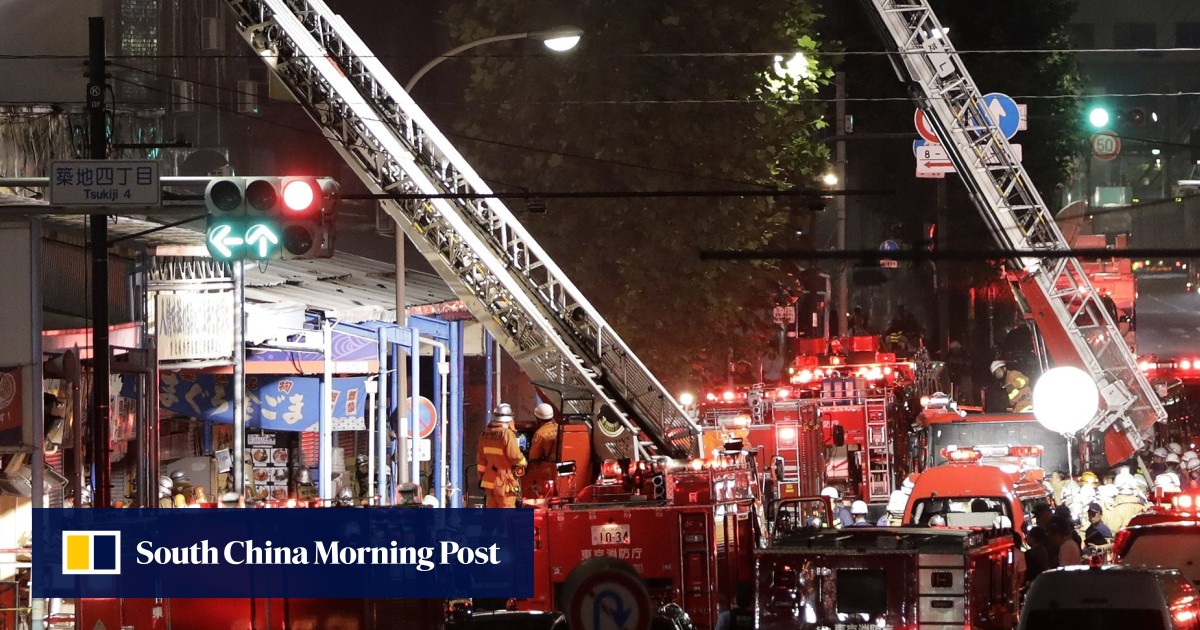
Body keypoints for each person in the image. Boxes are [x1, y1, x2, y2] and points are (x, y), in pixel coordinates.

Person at [476, 403, 527, 508]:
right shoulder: (506, 433)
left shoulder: (485, 434)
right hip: (504, 481)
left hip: (489, 479)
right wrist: (524, 462)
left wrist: (481, 477)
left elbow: (481, 460)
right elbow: (514, 456)